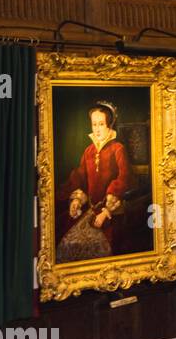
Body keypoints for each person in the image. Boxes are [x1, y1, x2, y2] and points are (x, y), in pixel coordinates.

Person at [58, 101, 135, 260]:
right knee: (68, 243)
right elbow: (80, 177)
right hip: (92, 209)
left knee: (100, 249)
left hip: (112, 211)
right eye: (94, 124)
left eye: (101, 124)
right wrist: (77, 201)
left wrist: (107, 210)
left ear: (109, 125)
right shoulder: (89, 151)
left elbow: (125, 177)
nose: (97, 128)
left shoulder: (117, 148)